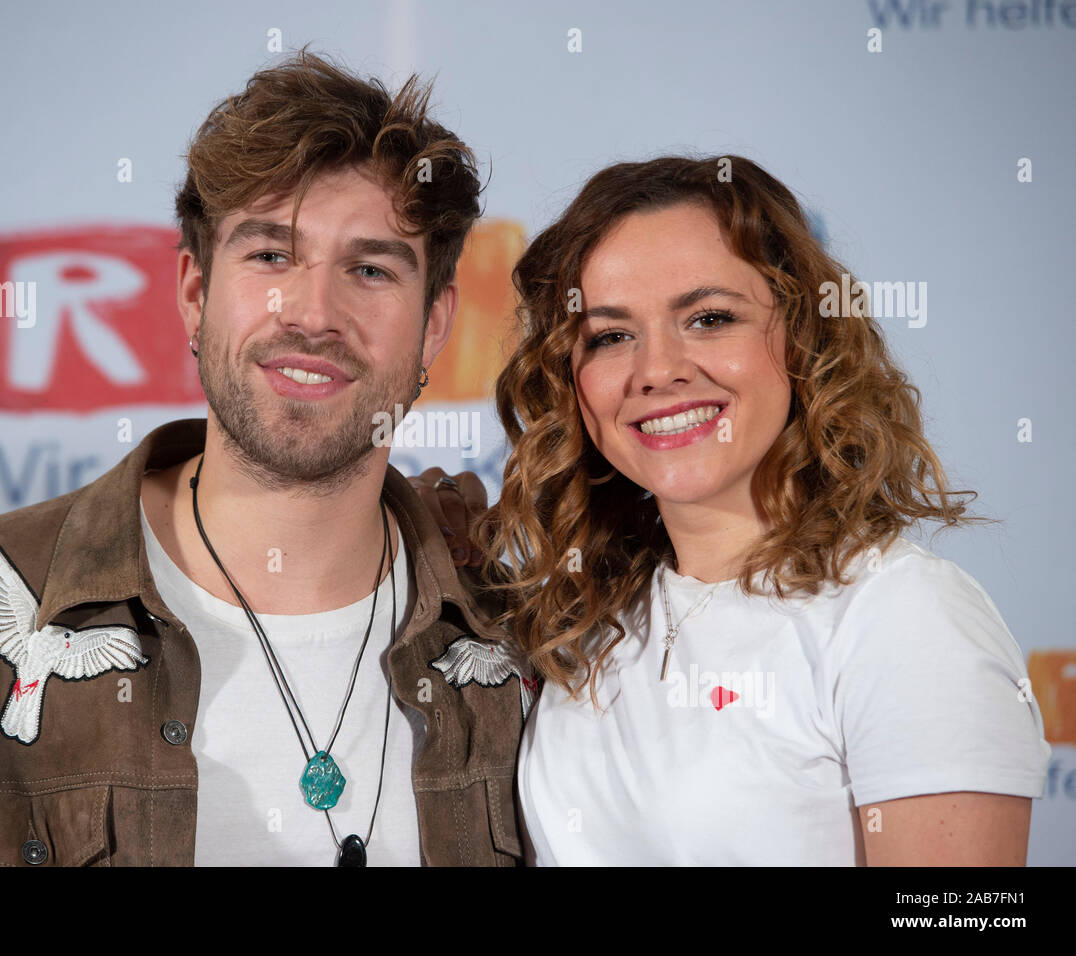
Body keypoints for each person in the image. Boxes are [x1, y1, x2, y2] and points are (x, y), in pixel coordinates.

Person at [0, 48, 528, 868]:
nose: (314, 314)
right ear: (193, 293)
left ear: (435, 325)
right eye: (270, 256)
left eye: (369, 268)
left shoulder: (521, 632)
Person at [416, 155, 1052, 865]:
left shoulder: (903, 617)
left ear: (802, 339)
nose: (657, 369)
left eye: (710, 318)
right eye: (612, 335)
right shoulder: (591, 619)